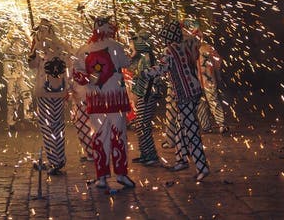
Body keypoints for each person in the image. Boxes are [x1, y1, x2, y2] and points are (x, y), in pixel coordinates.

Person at [73, 16, 135, 190]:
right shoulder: (116, 46)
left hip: (96, 100)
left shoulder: (83, 50)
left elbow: (76, 74)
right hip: (115, 98)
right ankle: (121, 174)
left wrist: (89, 78)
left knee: (99, 137)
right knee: (118, 136)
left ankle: (102, 177)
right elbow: (127, 63)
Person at [142, 20, 209, 181]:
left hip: (185, 94)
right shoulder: (186, 46)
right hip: (194, 91)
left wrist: (145, 73)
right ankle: (181, 160)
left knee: (191, 130)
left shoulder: (170, 50)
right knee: (181, 126)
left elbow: (162, 68)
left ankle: (202, 167)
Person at [29, 18, 70, 175]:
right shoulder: (62, 45)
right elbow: (69, 64)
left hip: (44, 91)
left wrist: (33, 47)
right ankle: (59, 159)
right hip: (59, 91)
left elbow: (32, 65)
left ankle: (54, 161)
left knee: (47, 126)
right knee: (58, 124)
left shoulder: (40, 46)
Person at [184, 18, 227, 133]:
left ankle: (221, 124)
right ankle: (205, 126)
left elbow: (218, 62)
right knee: (201, 104)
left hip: (208, 81)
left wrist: (215, 73)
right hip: (197, 82)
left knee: (213, 101)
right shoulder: (190, 51)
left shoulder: (207, 48)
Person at [130, 31, 161, 166]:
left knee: (143, 124)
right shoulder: (143, 57)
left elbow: (151, 76)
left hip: (148, 95)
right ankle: (145, 154)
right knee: (140, 124)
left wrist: (139, 75)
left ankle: (151, 155)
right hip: (144, 95)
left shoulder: (149, 57)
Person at [0, 22, 32, 132]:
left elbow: (27, 50)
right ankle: (11, 122)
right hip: (10, 74)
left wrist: (26, 37)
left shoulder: (20, 41)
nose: (14, 29)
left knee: (27, 92)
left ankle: (29, 115)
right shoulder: (5, 40)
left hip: (20, 71)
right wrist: (10, 40)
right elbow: (2, 49)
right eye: (12, 27)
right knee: (12, 99)